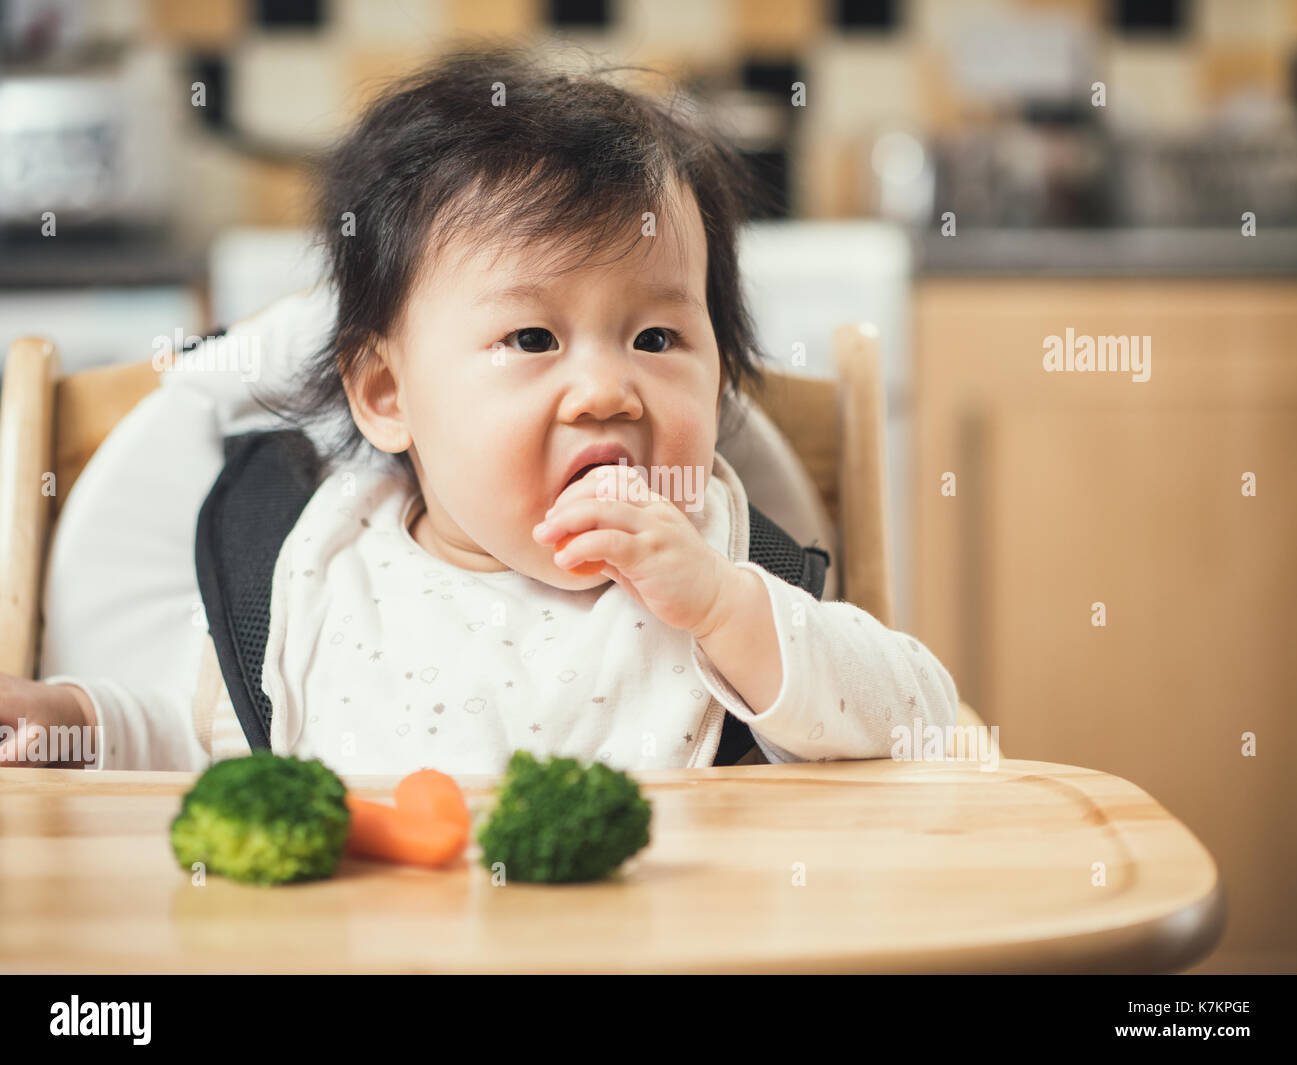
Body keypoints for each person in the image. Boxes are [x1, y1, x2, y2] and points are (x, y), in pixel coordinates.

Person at [1, 44, 958, 774]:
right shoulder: (322, 573)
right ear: (385, 396)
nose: (607, 391)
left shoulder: (727, 571)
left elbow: (925, 723)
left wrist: (723, 605)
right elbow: (208, 737)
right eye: (533, 341)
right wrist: (77, 724)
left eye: (658, 339)